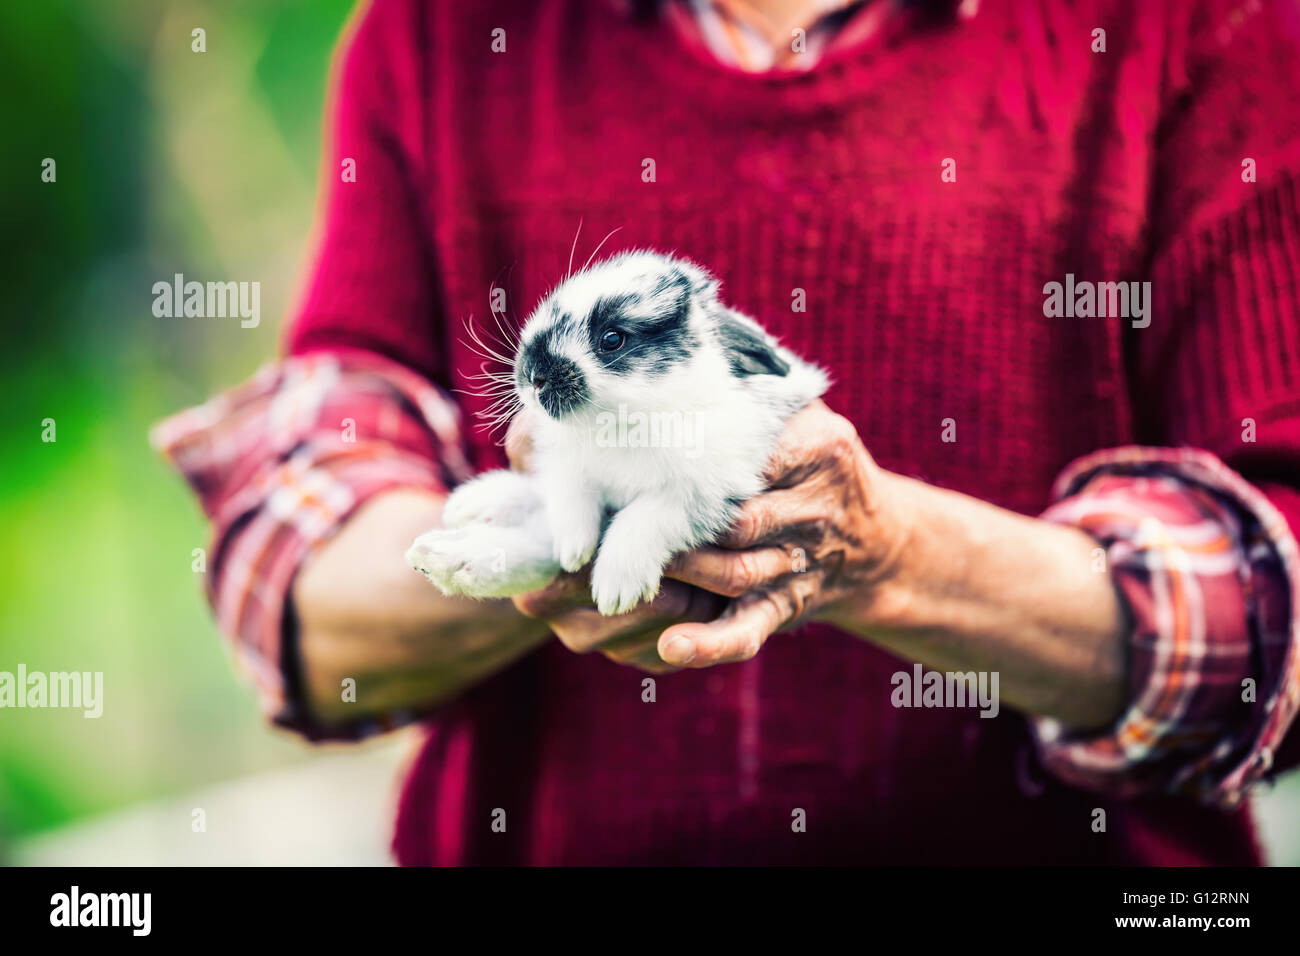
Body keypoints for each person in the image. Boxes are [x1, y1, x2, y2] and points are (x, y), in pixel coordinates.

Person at [154, 0, 1300, 864]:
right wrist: (551, 540)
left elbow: (1281, 617)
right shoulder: (439, 35)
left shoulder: (1203, 26)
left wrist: (886, 551)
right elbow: (299, 584)